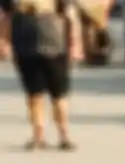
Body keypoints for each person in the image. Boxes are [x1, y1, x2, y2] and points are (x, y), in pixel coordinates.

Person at [2, 0, 78, 150]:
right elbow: (7, 16)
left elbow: (69, 15)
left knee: (59, 94)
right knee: (34, 94)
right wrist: (3, 41)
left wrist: (74, 43)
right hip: (25, 45)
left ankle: (64, 135)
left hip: (54, 44)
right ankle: (38, 135)